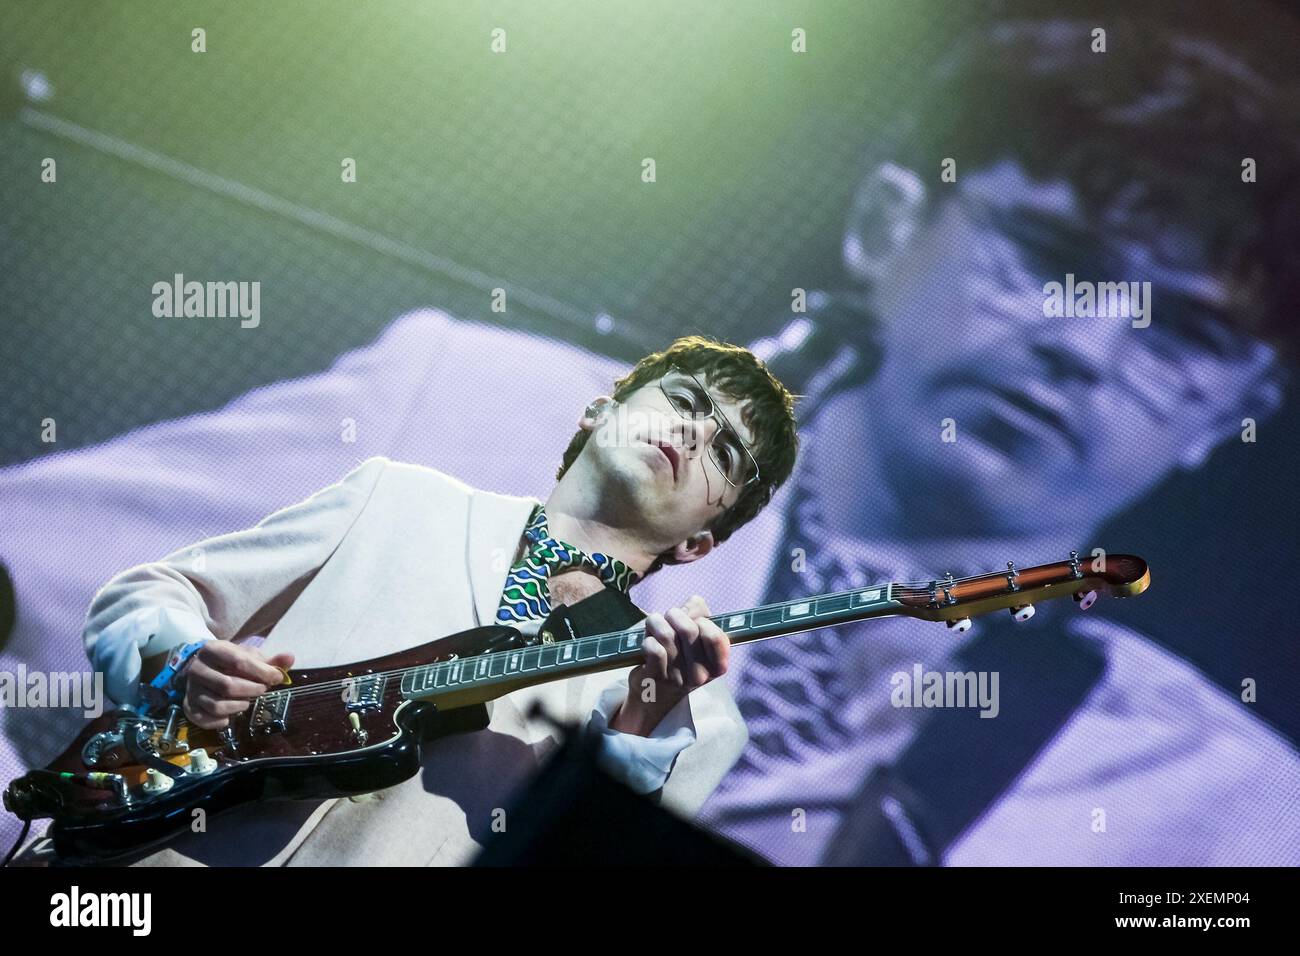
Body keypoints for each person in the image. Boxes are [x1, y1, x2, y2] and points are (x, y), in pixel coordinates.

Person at [698, 5, 1300, 865]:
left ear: (1235, 415)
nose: (1083, 348)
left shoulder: (1234, 817)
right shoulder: (460, 395)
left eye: (1187, 335)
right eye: (1053, 261)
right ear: (885, 227)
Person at [13, 336, 800, 865]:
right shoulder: (396, 498)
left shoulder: (693, 715)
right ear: (599, 411)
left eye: (725, 451)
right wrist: (182, 657)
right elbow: (146, 593)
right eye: (685, 401)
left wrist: (634, 731)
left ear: (703, 542)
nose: (695, 434)